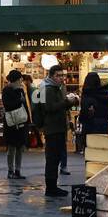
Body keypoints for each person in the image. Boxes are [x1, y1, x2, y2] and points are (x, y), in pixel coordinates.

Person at [33, 64, 76, 197]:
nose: (61, 78)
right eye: (58, 75)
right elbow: (50, 107)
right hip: (52, 127)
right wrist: (68, 102)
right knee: (52, 158)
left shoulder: (55, 87)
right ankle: (51, 188)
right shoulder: (48, 88)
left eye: (62, 75)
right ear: (51, 76)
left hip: (57, 127)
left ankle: (52, 186)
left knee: (55, 157)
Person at [1, 69, 30, 179]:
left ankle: (18, 170)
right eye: (20, 79)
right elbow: (8, 105)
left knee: (20, 147)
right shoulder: (7, 90)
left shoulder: (21, 90)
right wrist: (19, 100)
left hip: (21, 122)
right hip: (11, 123)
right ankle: (10, 170)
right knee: (11, 147)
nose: (21, 81)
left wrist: (27, 121)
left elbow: (25, 107)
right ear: (16, 80)